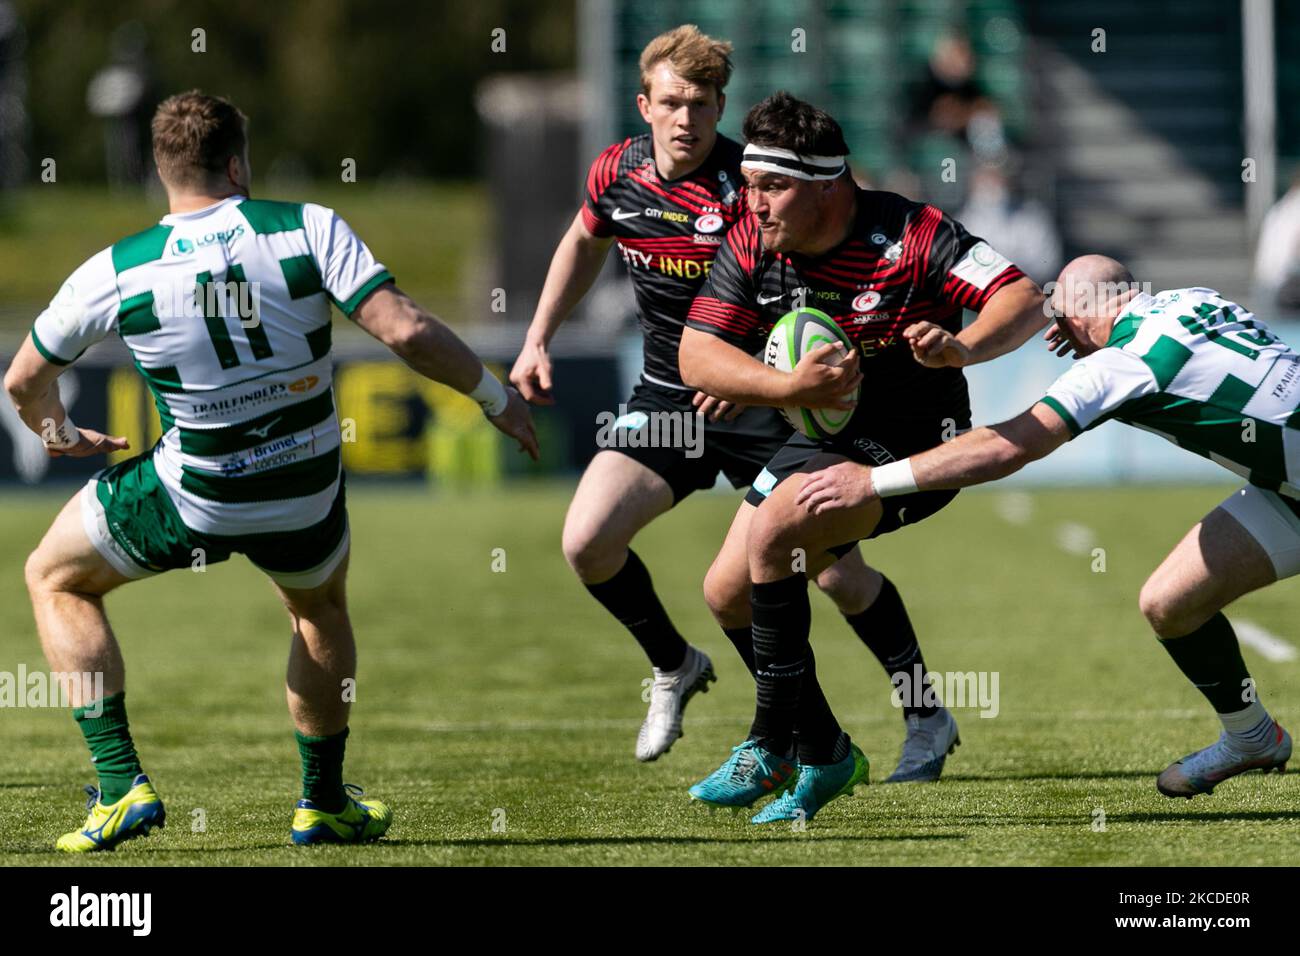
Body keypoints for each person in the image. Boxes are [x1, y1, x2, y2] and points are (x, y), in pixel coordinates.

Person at [2, 90, 538, 852]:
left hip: (196, 494)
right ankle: (321, 803)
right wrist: (494, 397)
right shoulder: (306, 227)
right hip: (303, 486)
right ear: (237, 161)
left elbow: (22, 382)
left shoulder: (116, 270)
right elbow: (406, 330)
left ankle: (120, 785)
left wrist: (58, 432)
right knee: (317, 608)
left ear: (161, 170)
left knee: (54, 577)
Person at [511, 27, 955, 775]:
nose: (688, 119)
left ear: (721, 106)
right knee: (587, 541)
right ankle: (682, 669)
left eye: (705, 104)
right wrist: (537, 336)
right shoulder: (616, 172)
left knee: (836, 573)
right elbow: (584, 240)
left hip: (771, 404)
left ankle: (924, 711)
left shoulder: (753, 187)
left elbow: (824, 276)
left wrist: (750, 368)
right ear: (644, 103)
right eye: (674, 103)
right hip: (667, 398)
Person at [797, 254, 1293, 798]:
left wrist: (871, 482)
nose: (1055, 337)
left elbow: (1008, 446)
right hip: (1286, 489)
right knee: (1170, 603)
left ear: (1076, 316)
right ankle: (1251, 737)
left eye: (1059, 322)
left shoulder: (1119, 365)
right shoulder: (1194, 297)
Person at [679, 92, 1046, 822]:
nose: (752, 203)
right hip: (823, 435)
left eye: (771, 186)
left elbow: (1024, 299)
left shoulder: (912, 233)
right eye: (748, 184)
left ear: (826, 184)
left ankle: (775, 742)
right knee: (730, 593)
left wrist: (962, 346)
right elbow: (698, 354)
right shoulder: (754, 238)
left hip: (921, 437)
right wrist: (778, 383)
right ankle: (851, 739)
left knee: (781, 531)